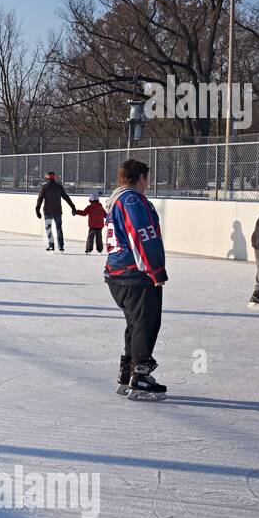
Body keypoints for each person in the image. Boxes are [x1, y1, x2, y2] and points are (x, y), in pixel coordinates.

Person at [105, 159, 168, 400]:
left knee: (135, 324)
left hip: (118, 275)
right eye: (147, 177)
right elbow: (142, 234)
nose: (148, 183)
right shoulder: (132, 200)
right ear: (140, 177)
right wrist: (156, 270)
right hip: (134, 274)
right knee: (146, 324)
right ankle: (140, 376)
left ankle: (127, 373)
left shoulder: (117, 201)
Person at [35, 171, 77, 253]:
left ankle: (51, 246)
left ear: (47, 177)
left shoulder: (44, 187)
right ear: (54, 177)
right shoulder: (59, 187)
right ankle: (61, 247)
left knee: (49, 228)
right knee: (59, 228)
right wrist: (73, 207)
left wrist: (37, 210)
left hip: (47, 211)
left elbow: (40, 199)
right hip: (58, 211)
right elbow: (66, 197)